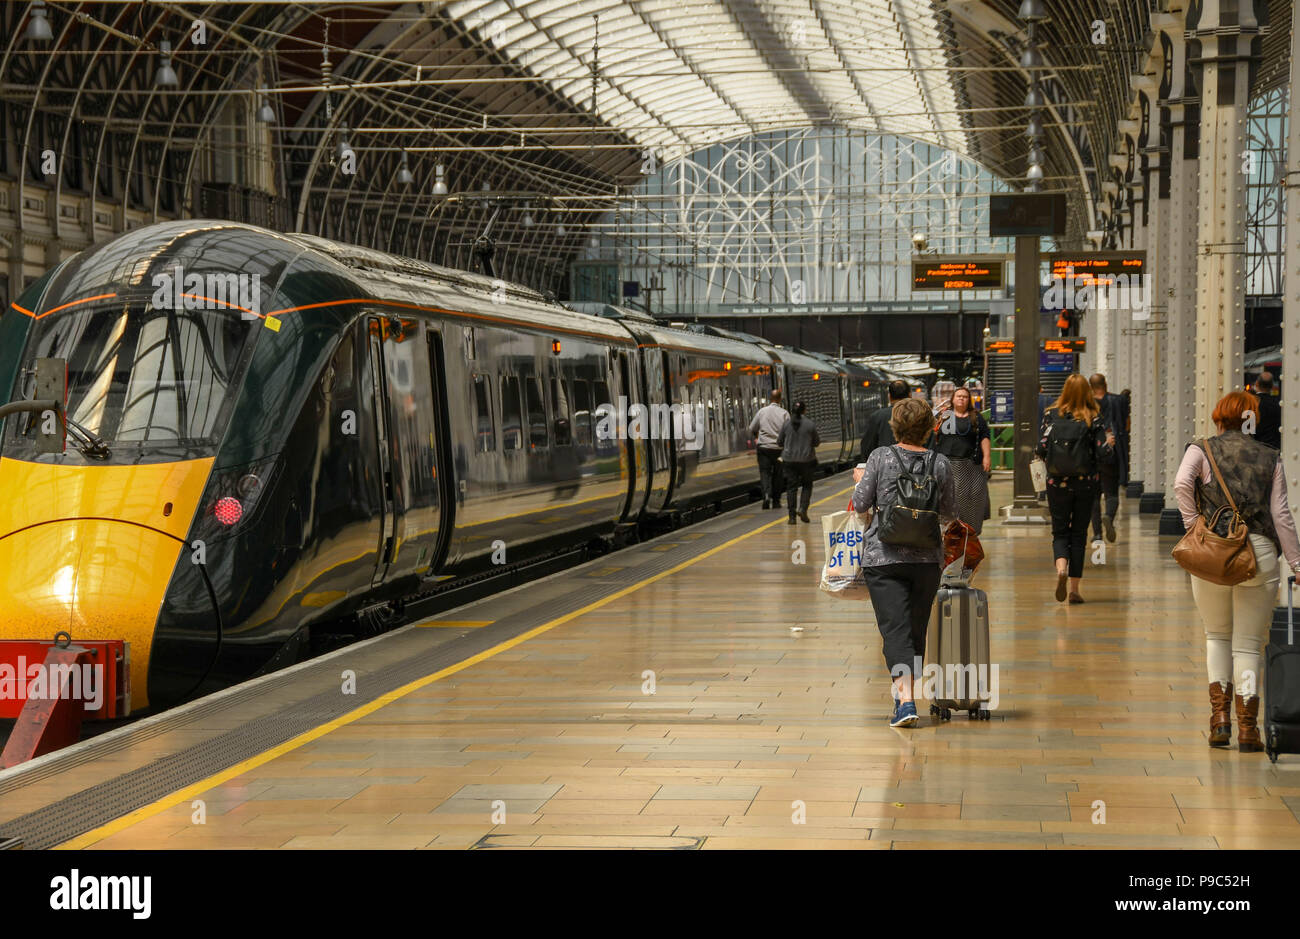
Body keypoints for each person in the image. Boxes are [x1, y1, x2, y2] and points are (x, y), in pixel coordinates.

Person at [1174, 390, 1300, 752]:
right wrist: (1296, 561)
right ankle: (1248, 730)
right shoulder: (1269, 457)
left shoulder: (1201, 449)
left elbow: (1182, 484)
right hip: (1258, 554)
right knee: (1247, 645)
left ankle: (1220, 720)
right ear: (1252, 419)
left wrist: (1194, 526)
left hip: (1212, 552)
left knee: (1216, 636)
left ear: (1219, 417)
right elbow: (1282, 516)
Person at [851, 398, 956, 728]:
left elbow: (859, 504)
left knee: (895, 630)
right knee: (914, 628)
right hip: (926, 560)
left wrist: (860, 481)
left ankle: (905, 701)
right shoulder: (940, 464)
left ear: (895, 426)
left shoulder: (879, 457)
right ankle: (905, 694)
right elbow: (951, 514)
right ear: (929, 429)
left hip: (883, 558)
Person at [1034, 373, 1115, 604]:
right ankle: (1074, 589)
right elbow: (1104, 454)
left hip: (1056, 483)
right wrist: (1108, 445)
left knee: (1060, 532)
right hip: (1085, 483)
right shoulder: (1094, 418)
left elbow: (1041, 448)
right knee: (1078, 534)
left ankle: (1061, 568)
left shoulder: (1051, 415)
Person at [931, 386, 991, 534]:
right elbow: (933, 434)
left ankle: (971, 532)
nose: (961, 398)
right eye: (958, 396)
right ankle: (950, 531)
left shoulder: (977, 416)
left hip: (972, 466)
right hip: (948, 464)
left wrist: (987, 457)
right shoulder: (944, 415)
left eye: (964, 396)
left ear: (968, 400)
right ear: (953, 399)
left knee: (974, 499)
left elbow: (985, 436)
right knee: (951, 498)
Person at [1088, 373, 1129, 543]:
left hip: (1092, 455)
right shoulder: (1118, 401)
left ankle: (1097, 534)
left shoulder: (1086, 404)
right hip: (1110, 453)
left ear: (1091, 387)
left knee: (1094, 496)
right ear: (1105, 383)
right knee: (1111, 493)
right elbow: (1126, 424)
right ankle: (1109, 517)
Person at [777, 401, 820, 525]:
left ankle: (791, 517)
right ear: (804, 411)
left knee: (791, 488)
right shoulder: (810, 424)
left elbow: (779, 442)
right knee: (807, 486)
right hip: (807, 460)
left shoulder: (786, 424)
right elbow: (817, 442)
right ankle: (803, 509)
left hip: (789, 461)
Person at [749, 389, 788, 509]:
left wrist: (757, 436)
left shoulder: (762, 412)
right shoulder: (784, 413)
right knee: (778, 474)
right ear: (780, 399)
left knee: (765, 473)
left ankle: (766, 495)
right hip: (778, 448)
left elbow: (752, 427)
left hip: (764, 448)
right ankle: (776, 501)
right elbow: (789, 431)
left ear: (769, 399)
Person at [859, 379, 910, 461]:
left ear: (889, 396)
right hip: (916, 470)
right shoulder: (922, 415)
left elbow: (867, 447)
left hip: (886, 469)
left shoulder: (877, 417)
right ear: (910, 395)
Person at [1253, 372, 1281, 450]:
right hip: (1273, 450)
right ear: (1272, 386)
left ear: (1257, 384)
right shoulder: (1278, 404)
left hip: (1253, 449)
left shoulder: (1250, 403)